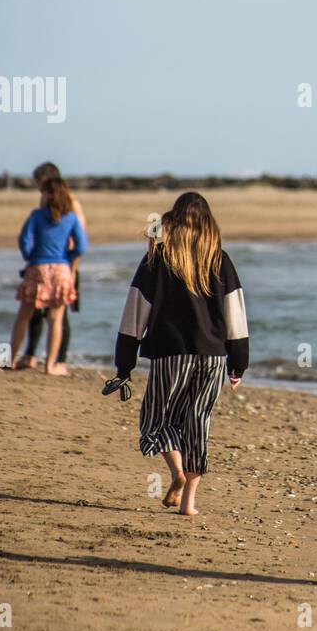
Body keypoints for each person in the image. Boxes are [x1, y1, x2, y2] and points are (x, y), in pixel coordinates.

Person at [111, 192, 249, 516]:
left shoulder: (156, 260)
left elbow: (134, 313)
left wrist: (124, 364)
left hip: (170, 355)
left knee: (156, 421)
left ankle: (177, 472)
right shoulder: (221, 260)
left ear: (173, 218)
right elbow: (236, 315)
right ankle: (189, 503)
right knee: (197, 424)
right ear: (208, 223)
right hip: (213, 357)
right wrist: (238, 364)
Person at [7, 177, 86, 376]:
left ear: (46, 195)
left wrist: (30, 256)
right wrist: (66, 258)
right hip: (61, 269)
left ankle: (10, 360)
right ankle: (50, 366)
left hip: (37, 267)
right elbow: (81, 246)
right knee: (55, 319)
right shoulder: (71, 218)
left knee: (23, 316)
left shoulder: (37, 215)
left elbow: (23, 240)